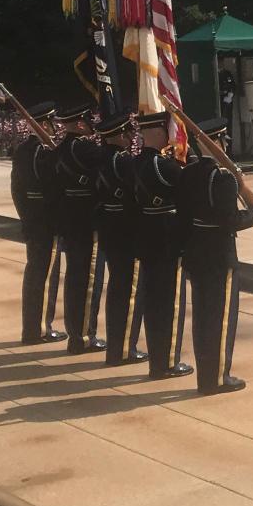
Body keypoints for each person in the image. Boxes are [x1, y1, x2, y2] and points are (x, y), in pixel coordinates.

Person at [178, 118, 253, 394]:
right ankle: (216, 378)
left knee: (203, 318)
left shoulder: (188, 172)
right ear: (217, 143)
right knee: (220, 319)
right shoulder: (223, 177)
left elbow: (183, 217)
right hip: (219, 255)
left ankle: (205, 376)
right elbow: (230, 220)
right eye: (224, 141)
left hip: (195, 252)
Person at [132, 111, 193, 378]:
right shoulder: (162, 166)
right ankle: (165, 362)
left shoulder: (133, 162)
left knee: (153, 302)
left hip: (144, 238)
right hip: (166, 242)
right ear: (157, 132)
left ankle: (157, 360)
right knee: (169, 304)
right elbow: (188, 191)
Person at [10, 101, 65, 344]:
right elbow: (54, 190)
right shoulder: (45, 152)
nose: (55, 127)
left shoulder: (22, 150)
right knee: (43, 276)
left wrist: (26, 217)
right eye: (52, 123)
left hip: (32, 220)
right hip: (46, 223)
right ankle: (39, 329)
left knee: (35, 273)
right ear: (43, 124)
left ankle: (31, 327)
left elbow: (16, 190)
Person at [95, 112, 147, 366]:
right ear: (119, 135)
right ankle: (123, 349)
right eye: (127, 132)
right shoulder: (123, 162)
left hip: (108, 227)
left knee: (117, 289)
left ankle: (116, 347)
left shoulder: (99, 157)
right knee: (128, 291)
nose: (130, 136)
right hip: (126, 230)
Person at [54, 106, 106, 354]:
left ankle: (76, 331)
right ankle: (83, 336)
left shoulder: (62, 148)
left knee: (75, 279)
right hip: (88, 222)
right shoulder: (84, 148)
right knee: (88, 281)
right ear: (82, 124)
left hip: (69, 219)